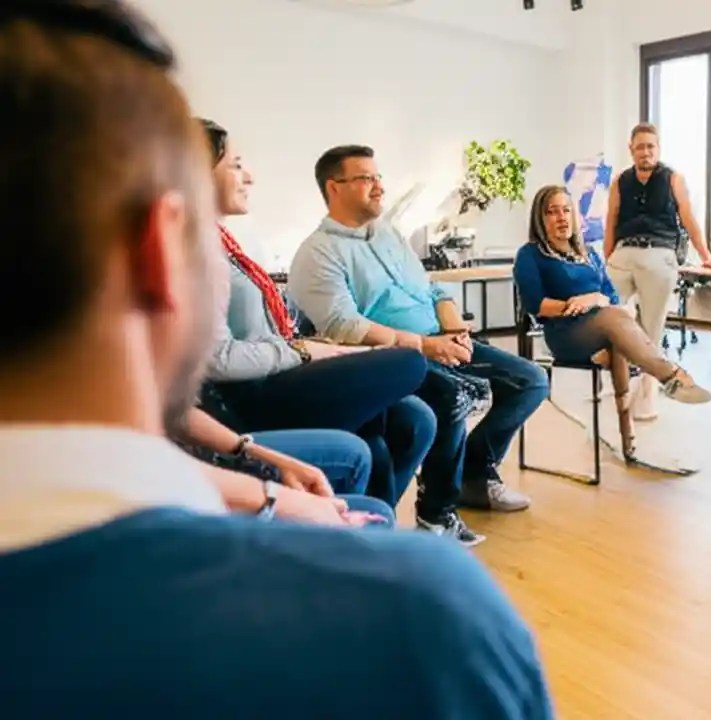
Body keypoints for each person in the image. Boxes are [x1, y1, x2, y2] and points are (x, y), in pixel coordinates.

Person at [0, 3, 552, 716]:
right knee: (408, 386)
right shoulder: (421, 617)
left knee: (436, 397)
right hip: (293, 386)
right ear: (161, 251)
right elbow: (328, 330)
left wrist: (263, 491)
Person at [289, 144, 548, 533]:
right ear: (334, 188)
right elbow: (345, 326)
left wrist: (453, 327)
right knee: (452, 397)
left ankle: (476, 474)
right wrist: (427, 346)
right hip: (389, 358)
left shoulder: (390, 234)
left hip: (438, 339)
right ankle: (436, 510)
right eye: (366, 178)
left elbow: (428, 289)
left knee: (530, 380)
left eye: (378, 178)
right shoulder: (317, 252)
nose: (378, 187)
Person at [196, 119, 435, 516]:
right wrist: (302, 351)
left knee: (412, 421)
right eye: (236, 164)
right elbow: (217, 360)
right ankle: (370, 529)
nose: (249, 176)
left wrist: (315, 348)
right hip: (251, 390)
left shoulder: (227, 241)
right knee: (407, 363)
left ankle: (371, 525)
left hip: (276, 368)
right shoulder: (196, 251)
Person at [513, 185, 711, 453]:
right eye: (552, 212)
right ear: (540, 218)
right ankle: (670, 375)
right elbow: (534, 304)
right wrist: (576, 305)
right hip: (564, 334)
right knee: (616, 322)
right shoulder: (530, 255)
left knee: (617, 330)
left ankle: (628, 436)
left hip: (603, 325)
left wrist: (594, 299)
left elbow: (610, 297)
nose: (561, 217)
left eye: (566, 210)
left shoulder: (589, 253)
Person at [604, 122, 711, 421]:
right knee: (604, 309)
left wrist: (705, 255)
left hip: (660, 253)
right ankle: (617, 373)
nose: (645, 152)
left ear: (658, 148)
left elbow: (688, 217)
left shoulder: (672, 179)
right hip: (624, 253)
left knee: (652, 327)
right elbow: (611, 220)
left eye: (650, 146)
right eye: (640, 146)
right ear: (631, 149)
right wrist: (607, 258)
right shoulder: (619, 182)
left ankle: (648, 390)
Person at [177, 407, 397, 527]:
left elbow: (175, 411)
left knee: (365, 450)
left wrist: (262, 455)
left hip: (204, 461)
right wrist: (273, 500)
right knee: (377, 517)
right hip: (177, 514)